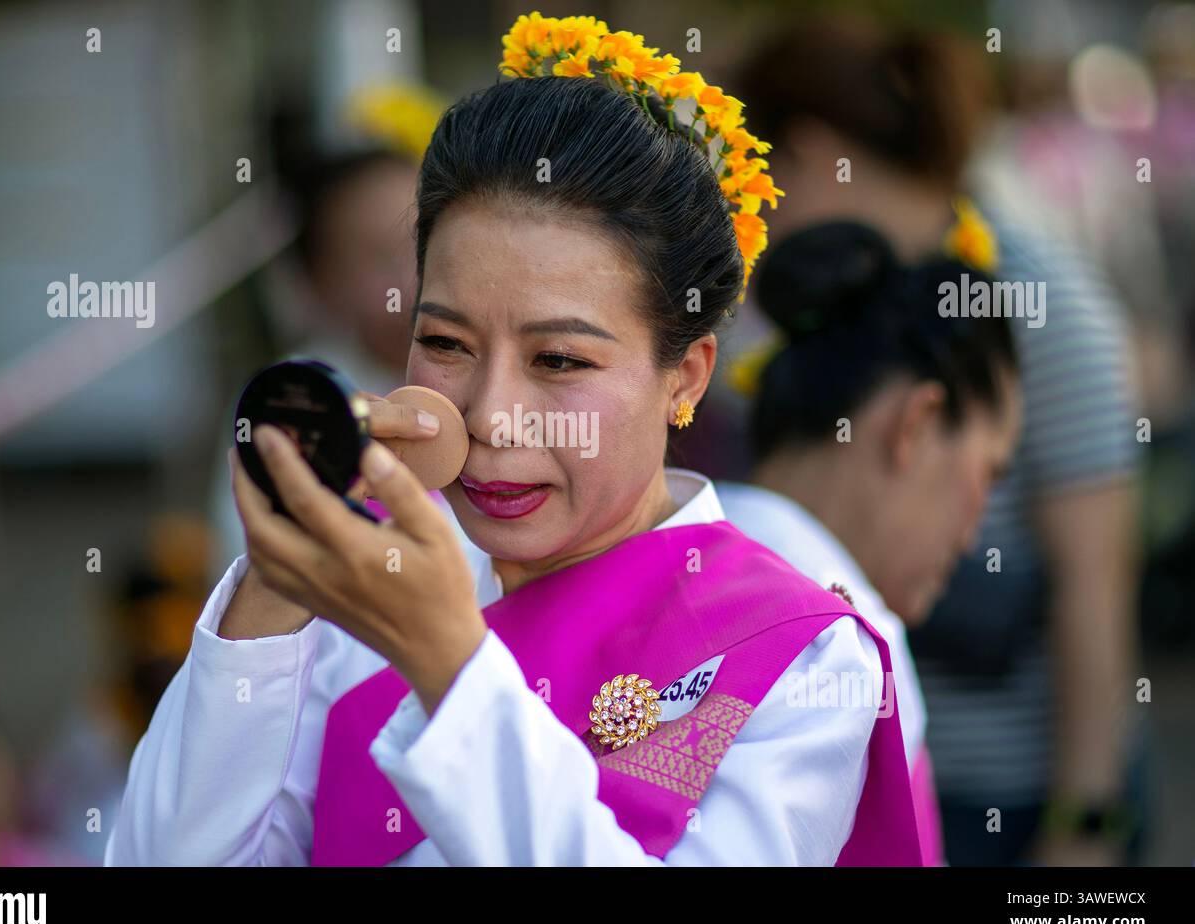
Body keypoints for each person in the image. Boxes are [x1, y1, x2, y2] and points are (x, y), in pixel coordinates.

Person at [106, 15, 921, 867]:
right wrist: (273, 599)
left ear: (685, 375)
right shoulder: (361, 599)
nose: (492, 413)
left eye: (559, 359)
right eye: (447, 344)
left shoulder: (795, 655)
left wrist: (450, 667)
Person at [733, 15, 1143, 866]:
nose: (748, 217)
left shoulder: (1033, 299)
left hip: (1016, 793)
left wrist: (1083, 826)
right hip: (856, 761)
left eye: (749, 182)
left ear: (806, 156)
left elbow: (1095, 580)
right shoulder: (809, 302)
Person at [715, 222, 1022, 865]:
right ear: (918, 423)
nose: (971, 538)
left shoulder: (646, 553)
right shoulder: (852, 644)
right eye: (986, 473)